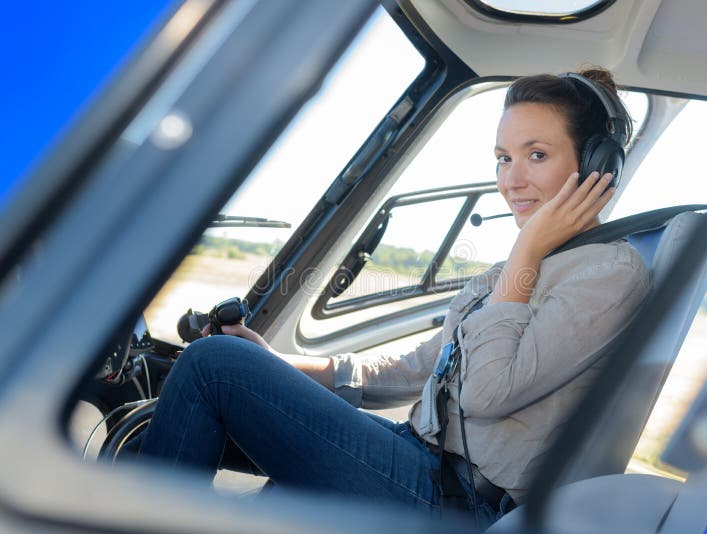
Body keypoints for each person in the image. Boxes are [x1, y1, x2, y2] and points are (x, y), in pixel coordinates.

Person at [138, 67, 651, 527]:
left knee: (213, 366)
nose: (511, 180)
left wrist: (526, 251)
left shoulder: (608, 272)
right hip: (417, 461)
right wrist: (275, 361)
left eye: (536, 155)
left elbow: (487, 392)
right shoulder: (518, 269)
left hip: (454, 505)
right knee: (233, 372)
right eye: (502, 158)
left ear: (597, 164)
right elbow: (417, 368)